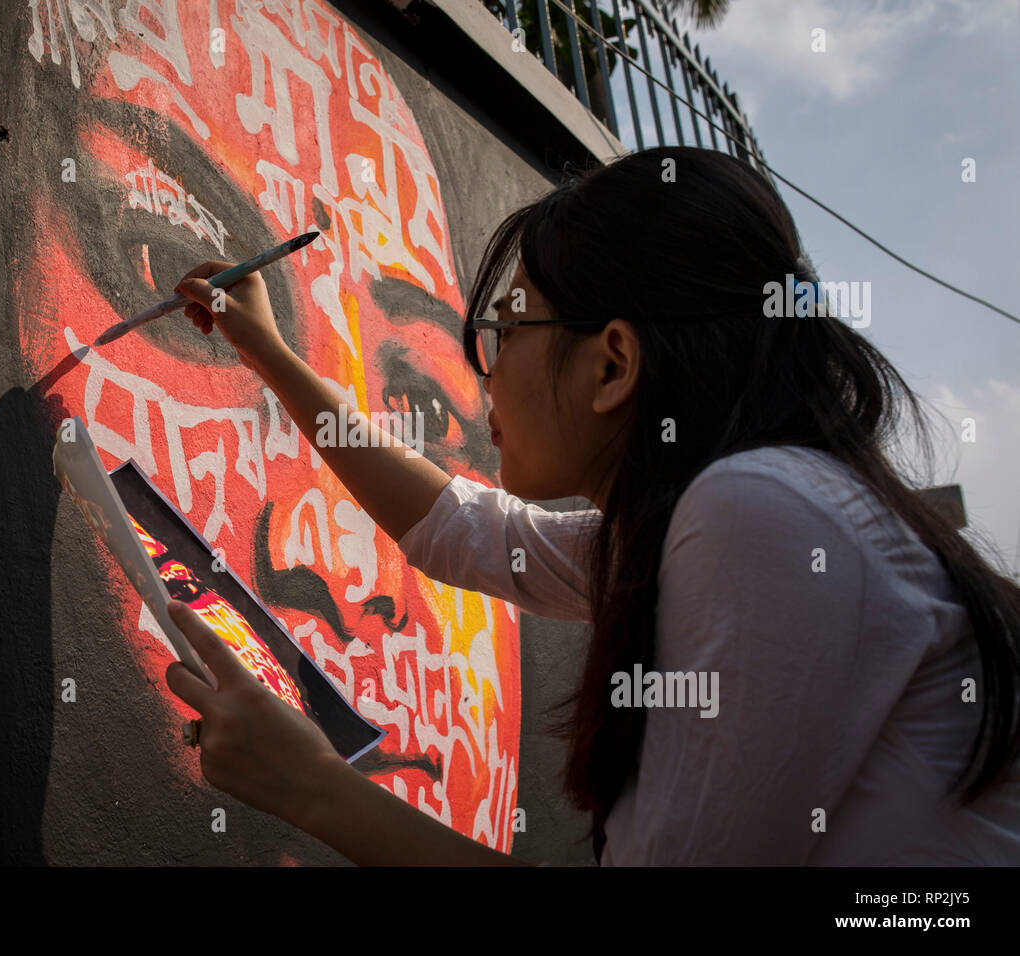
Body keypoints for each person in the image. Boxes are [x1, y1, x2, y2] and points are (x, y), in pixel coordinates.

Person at [163, 146, 1020, 866]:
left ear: (611, 365)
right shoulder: (721, 515)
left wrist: (311, 786)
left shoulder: (758, 513)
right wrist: (268, 350)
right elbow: (465, 531)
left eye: (508, 323)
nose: (486, 368)